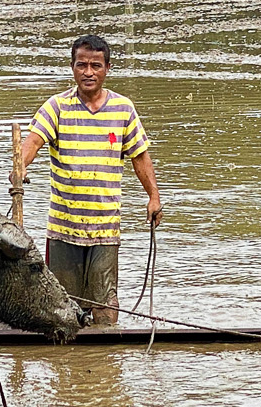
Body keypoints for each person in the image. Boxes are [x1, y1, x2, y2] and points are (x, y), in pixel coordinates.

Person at [18, 34, 161, 325]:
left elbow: (140, 157)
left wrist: (153, 197)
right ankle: (68, 366)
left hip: (105, 228)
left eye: (95, 65)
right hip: (63, 226)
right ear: (72, 68)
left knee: (105, 305)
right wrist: (19, 167)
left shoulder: (123, 109)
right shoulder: (57, 107)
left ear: (107, 68)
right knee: (63, 308)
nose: (88, 72)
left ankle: (104, 364)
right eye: (81, 65)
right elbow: (31, 142)